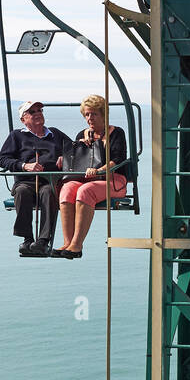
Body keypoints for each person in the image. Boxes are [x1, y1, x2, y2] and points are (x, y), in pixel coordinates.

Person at [53, 95, 129, 258]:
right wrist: (66, 156)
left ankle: (77, 244)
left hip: (113, 179)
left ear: (103, 114)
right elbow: (77, 159)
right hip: (86, 178)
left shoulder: (116, 133)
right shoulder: (83, 133)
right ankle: (67, 242)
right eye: (87, 114)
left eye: (94, 114)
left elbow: (119, 159)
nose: (89, 118)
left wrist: (99, 170)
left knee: (85, 191)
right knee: (66, 189)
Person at [0, 101, 72, 256]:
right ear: (23, 119)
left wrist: (64, 157)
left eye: (40, 110)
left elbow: (75, 149)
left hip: (50, 181)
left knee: (48, 193)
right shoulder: (17, 136)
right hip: (26, 181)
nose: (38, 113)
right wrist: (25, 165)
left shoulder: (55, 134)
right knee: (22, 192)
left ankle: (43, 241)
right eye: (32, 112)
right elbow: (3, 160)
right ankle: (27, 239)